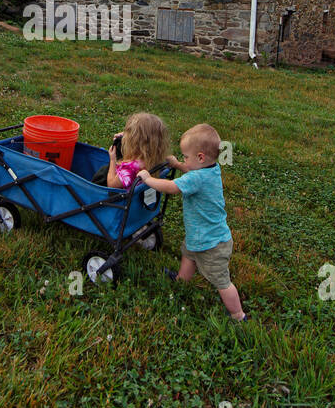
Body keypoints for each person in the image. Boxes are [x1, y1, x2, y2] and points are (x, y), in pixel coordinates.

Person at [137, 123, 247, 322]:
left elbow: (171, 187)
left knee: (222, 281)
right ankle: (181, 281)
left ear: (200, 158)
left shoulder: (197, 178)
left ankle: (238, 315)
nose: (184, 160)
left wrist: (147, 179)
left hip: (212, 244)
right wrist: (178, 164)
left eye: (186, 157)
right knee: (188, 255)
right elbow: (191, 171)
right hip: (199, 236)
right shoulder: (210, 170)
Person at [95, 112, 169, 190]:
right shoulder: (156, 159)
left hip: (120, 201)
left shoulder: (130, 168)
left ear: (134, 142)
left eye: (128, 133)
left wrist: (113, 160)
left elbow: (112, 184)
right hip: (141, 199)